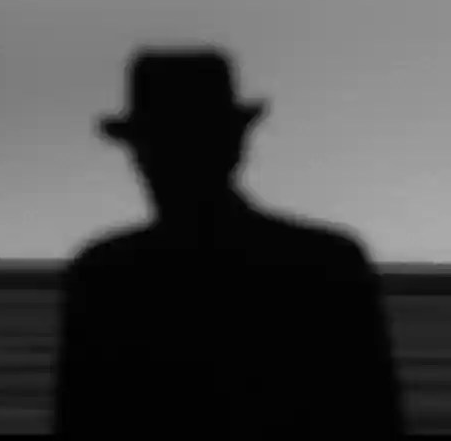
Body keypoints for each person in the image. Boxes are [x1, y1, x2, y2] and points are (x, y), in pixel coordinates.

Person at [54, 46, 405, 438]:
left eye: (159, 146)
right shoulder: (326, 261)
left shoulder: (106, 274)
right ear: (237, 145)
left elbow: (81, 417)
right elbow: (374, 414)